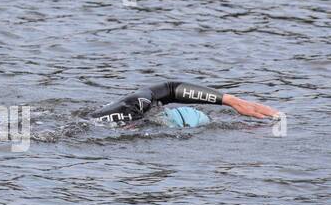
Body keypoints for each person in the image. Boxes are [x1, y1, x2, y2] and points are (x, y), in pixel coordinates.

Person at [91, 80, 278, 127]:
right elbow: (171, 88)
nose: (163, 111)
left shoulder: (137, 109)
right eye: (165, 112)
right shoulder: (136, 107)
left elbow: (169, 89)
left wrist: (229, 100)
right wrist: (230, 100)